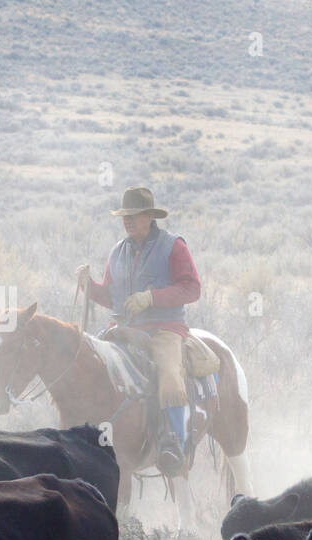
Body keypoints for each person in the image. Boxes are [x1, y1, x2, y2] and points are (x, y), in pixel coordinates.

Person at [77, 186, 217, 476]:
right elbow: (111, 296)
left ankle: (172, 444)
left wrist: (151, 298)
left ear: (149, 216)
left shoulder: (173, 246)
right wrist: (89, 287)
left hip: (164, 329)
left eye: (134, 215)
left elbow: (192, 288)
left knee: (168, 375)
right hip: (123, 329)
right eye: (124, 216)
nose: (127, 221)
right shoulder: (117, 251)